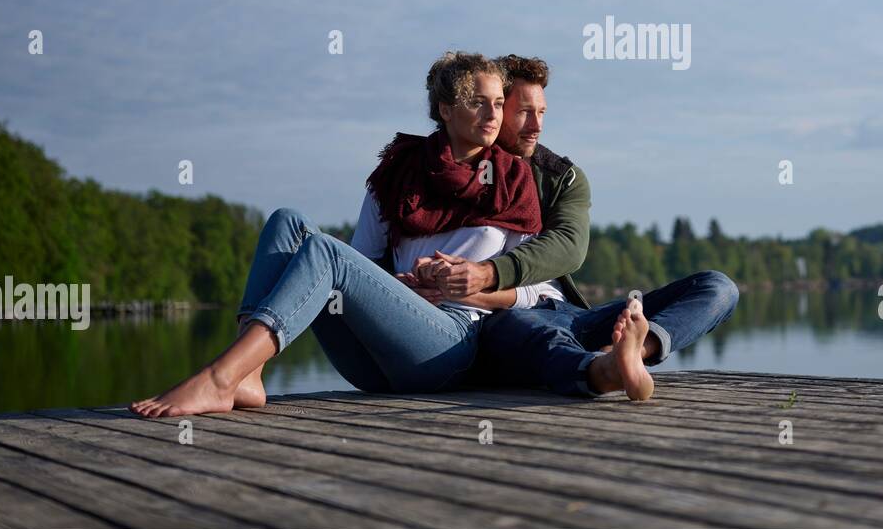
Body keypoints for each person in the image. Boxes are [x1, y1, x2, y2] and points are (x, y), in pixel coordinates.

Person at [130, 51, 546, 418]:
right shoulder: (398, 174)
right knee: (286, 222)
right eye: (478, 104)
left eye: (497, 104)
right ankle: (247, 374)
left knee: (327, 252)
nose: (494, 116)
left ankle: (220, 376)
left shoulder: (513, 179)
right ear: (446, 109)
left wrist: (466, 285)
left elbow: (536, 293)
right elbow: (360, 261)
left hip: (447, 350)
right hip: (374, 359)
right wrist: (397, 286)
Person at [424, 55, 741, 402]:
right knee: (531, 332)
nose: (536, 125)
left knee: (718, 287)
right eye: (523, 112)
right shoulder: (456, 174)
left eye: (542, 112)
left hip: (573, 314)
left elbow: (568, 248)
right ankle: (602, 370)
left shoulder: (562, 177)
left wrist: (487, 273)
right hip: (506, 317)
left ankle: (632, 352)